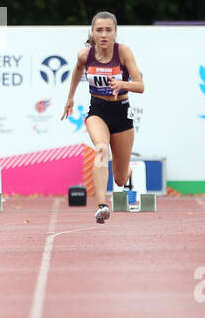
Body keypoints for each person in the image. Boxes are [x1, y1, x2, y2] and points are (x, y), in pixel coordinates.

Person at [60, 11, 144, 224]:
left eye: (108, 30)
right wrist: (69, 98)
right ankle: (101, 206)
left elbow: (140, 85)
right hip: (97, 111)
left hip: (122, 113)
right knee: (101, 149)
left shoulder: (123, 52)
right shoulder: (85, 55)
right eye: (99, 30)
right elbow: (78, 70)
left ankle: (125, 170)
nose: (104, 34)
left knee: (120, 178)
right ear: (93, 33)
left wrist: (123, 84)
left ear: (115, 32)